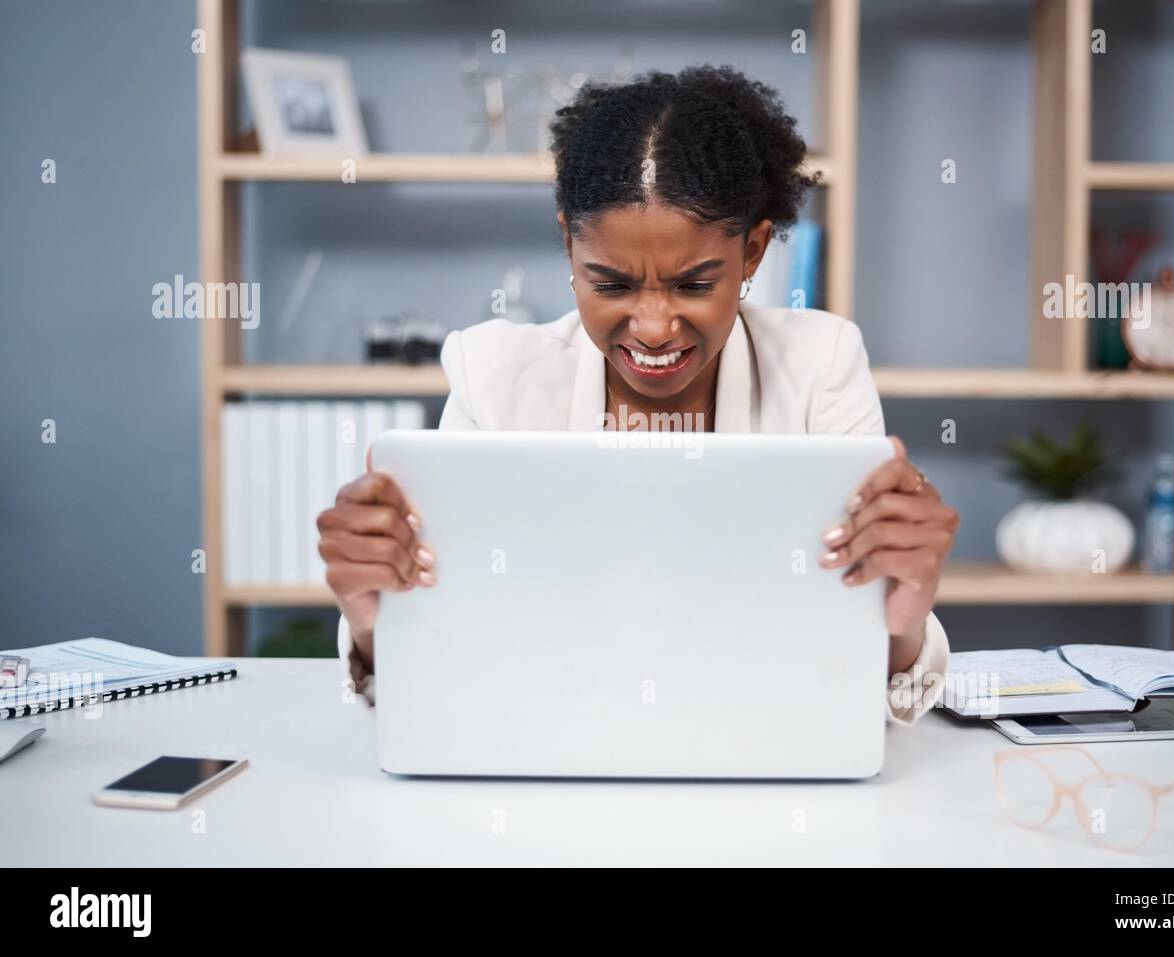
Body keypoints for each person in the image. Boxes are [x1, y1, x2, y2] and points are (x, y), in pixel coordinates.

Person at [317, 65, 958, 725]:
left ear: (755, 253)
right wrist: (375, 625)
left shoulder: (822, 363)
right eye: (613, 284)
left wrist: (901, 622)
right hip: (554, 737)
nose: (653, 327)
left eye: (693, 283)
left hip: (754, 737)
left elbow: (867, 703)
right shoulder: (493, 376)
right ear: (569, 248)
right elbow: (443, 677)